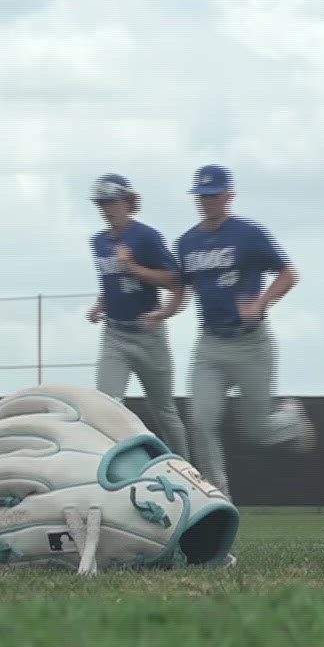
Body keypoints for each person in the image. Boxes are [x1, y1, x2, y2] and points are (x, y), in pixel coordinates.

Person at [175, 164, 315, 495]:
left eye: (213, 195)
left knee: (256, 431)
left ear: (228, 195)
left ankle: (290, 420)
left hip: (251, 345)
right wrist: (162, 310)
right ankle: (216, 493)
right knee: (200, 421)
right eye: (201, 196)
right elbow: (182, 287)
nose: (206, 201)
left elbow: (288, 274)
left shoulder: (248, 234)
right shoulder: (187, 243)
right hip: (209, 344)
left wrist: (261, 303)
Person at [85, 173, 189, 457]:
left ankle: (187, 470)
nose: (107, 209)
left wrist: (134, 267)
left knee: (164, 410)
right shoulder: (99, 242)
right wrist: (100, 305)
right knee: (105, 404)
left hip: (148, 334)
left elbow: (174, 279)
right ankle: (112, 468)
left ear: (128, 202)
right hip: (115, 333)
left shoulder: (146, 237)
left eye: (112, 202)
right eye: (102, 203)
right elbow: (111, 281)